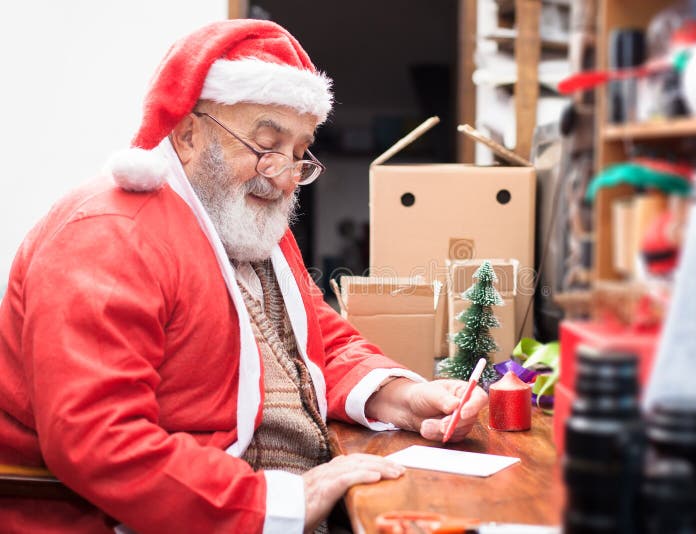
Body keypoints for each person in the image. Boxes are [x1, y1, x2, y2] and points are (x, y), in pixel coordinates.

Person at [0, 19, 487, 534]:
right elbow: (99, 439)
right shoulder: (110, 235)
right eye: (265, 145)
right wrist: (289, 500)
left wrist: (404, 397)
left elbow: (317, 340)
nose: (281, 177)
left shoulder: (252, 231)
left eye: (299, 154)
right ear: (187, 135)